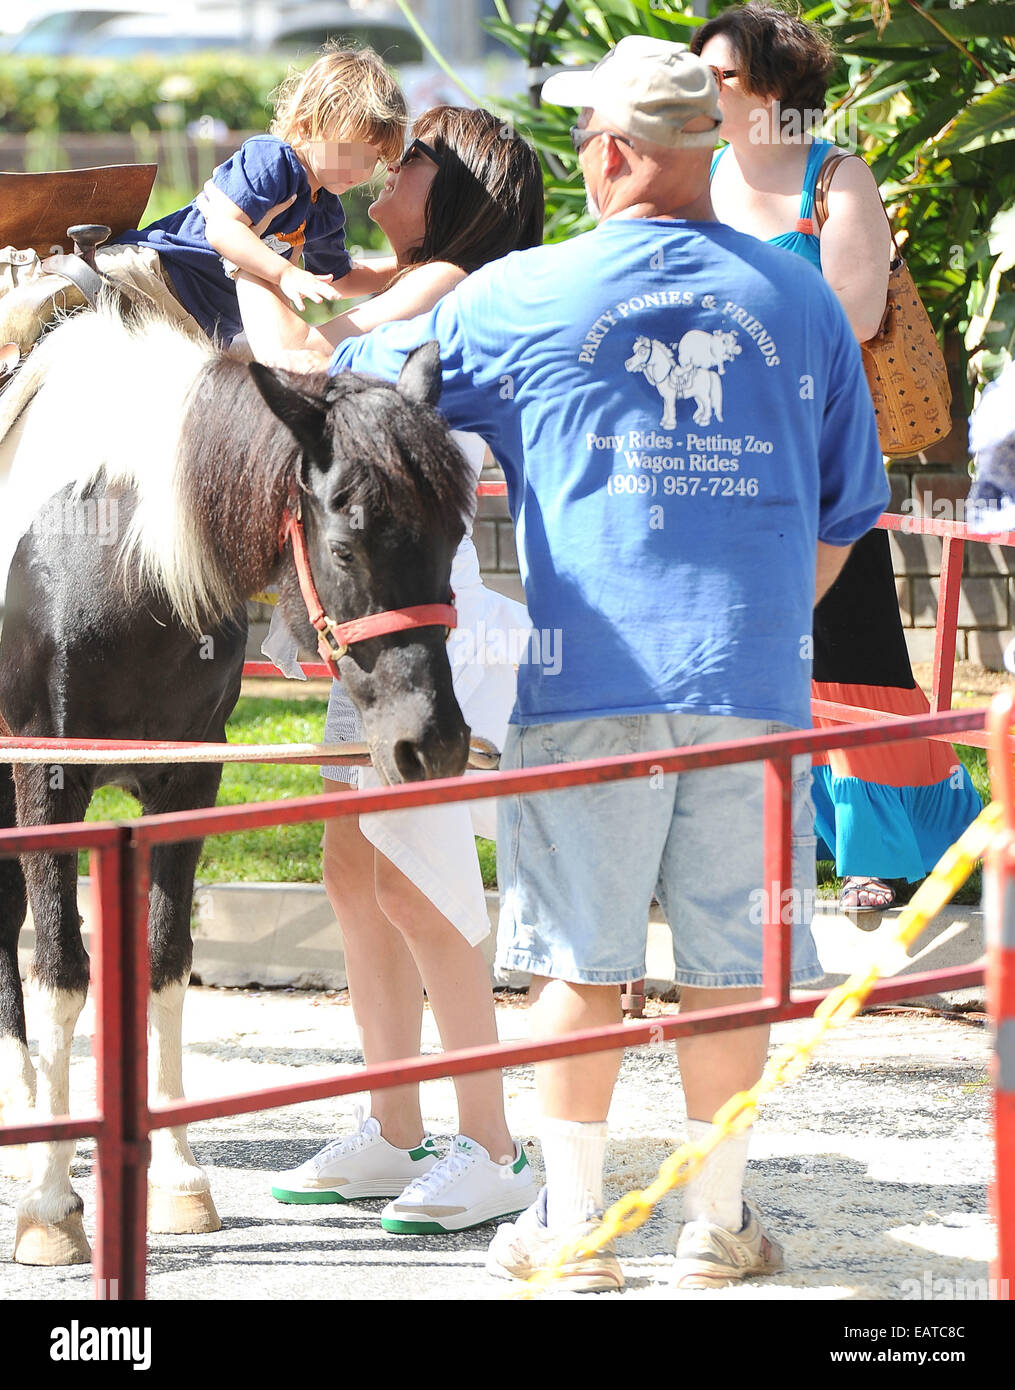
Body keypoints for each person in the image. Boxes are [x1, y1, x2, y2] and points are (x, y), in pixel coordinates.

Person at [265, 37, 891, 1290]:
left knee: (578, 965)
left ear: (607, 153)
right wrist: (750, 628)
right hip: (756, 697)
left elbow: (351, 394)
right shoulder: (801, 301)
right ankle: (716, 1223)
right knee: (732, 972)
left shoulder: (519, 298)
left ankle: (573, 1225)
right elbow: (842, 518)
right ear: (702, 149)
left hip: (589, 683)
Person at [236, 105, 546, 1234]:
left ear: (459, 186)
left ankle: (492, 1144)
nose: (380, 172)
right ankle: (393, 1122)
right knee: (354, 871)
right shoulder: (417, 282)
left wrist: (231, 247)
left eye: (406, 159)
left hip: (423, 618)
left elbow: (307, 371)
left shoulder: (456, 290)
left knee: (418, 876)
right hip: (364, 619)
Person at [692, 2, 983, 913]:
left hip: (819, 452)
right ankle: (770, 843)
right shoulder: (696, 174)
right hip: (718, 455)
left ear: (776, 88)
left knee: (853, 647)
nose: (703, 88)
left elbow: (852, 313)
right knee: (747, 650)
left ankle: (893, 851)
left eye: (723, 76)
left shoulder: (835, 174)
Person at [2, 45, 407, 353]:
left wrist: (409, 267)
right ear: (308, 122)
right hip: (154, 276)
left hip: (201, 325)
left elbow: (342, 278)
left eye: (371, 161)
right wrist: (284, 273)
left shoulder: (324, 211)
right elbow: (223, 228)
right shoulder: (275, 160)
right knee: (35, 318)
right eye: (353, 151)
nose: (359, 171)